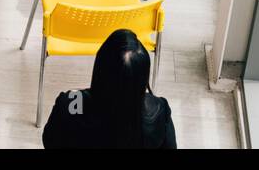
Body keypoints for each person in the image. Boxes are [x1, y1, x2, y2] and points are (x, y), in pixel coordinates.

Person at [42, 29, 176, 149]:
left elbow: (50, 141)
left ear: (100, 68)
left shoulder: (71, 104)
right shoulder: (158, 111)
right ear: (143, 76)